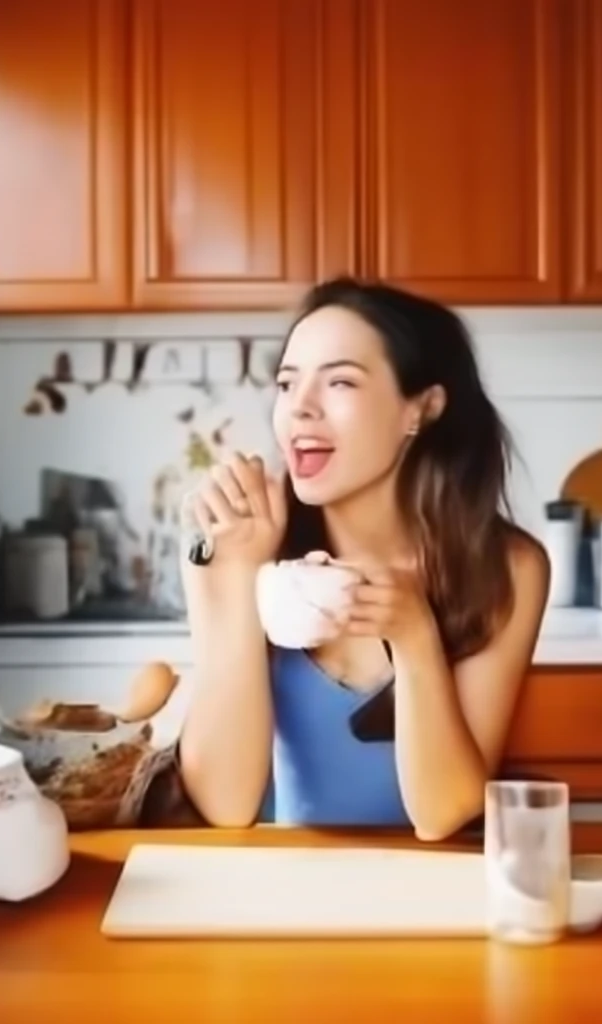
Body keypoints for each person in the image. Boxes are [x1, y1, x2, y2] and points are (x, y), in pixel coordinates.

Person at [177, 277, 549, 841]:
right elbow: (224, 804)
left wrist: (415, 638)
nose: (299, 408)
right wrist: (239, 575)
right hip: (280, 899)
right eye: (286, 383)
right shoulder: (231, 549)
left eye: (341, 382)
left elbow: (444, 813)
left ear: (422, 408)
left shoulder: (505, 569)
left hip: (430, 898)